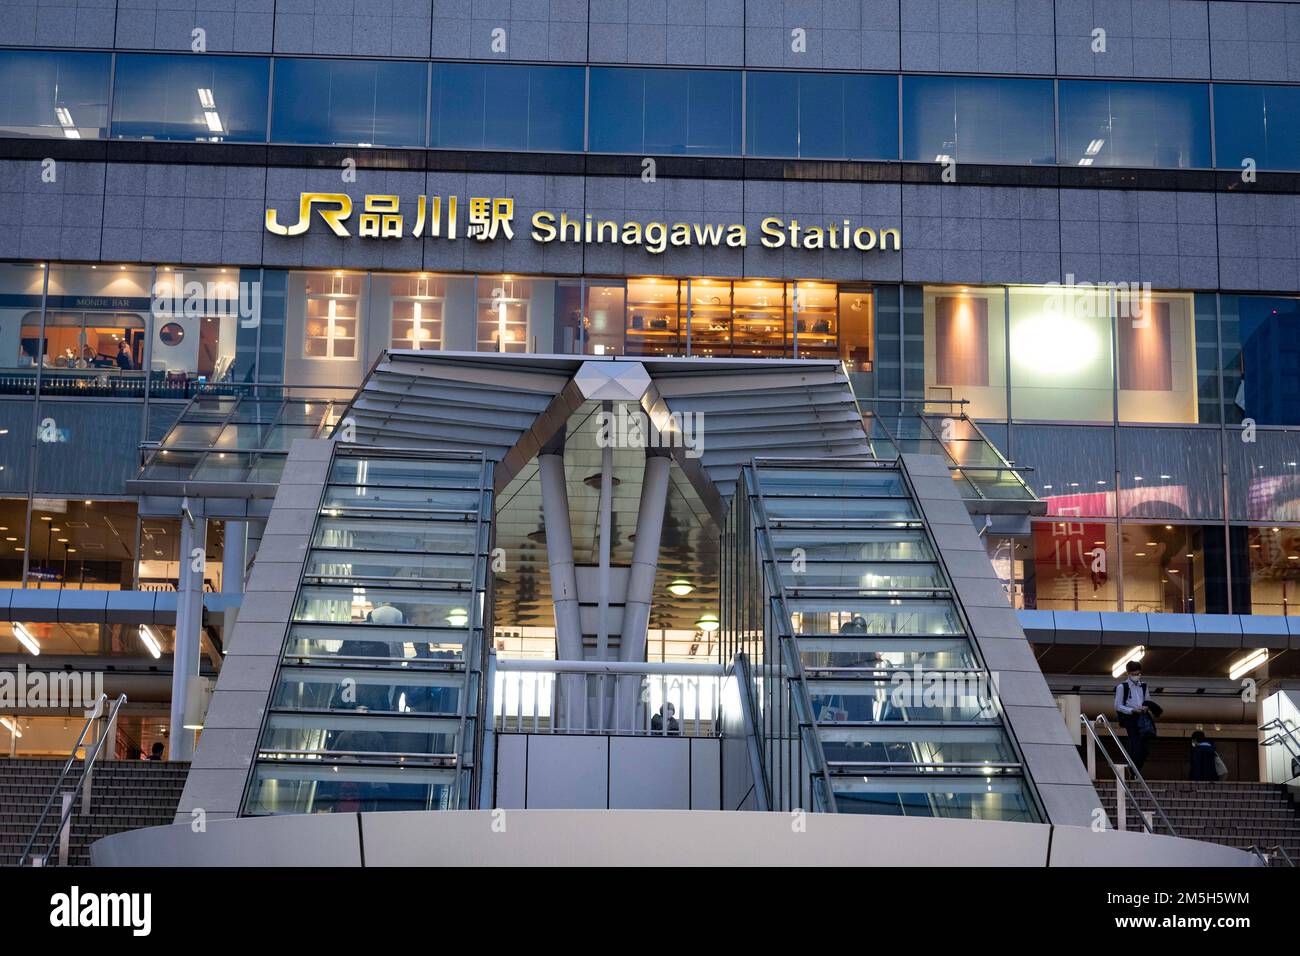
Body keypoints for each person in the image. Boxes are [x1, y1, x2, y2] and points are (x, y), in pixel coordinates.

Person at [1114, 660, 1158, 770]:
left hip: (1142, 717)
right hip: (1130, 718)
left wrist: (1145, 707)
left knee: (1145, 745)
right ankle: (1133, 769)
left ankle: (1137, 768)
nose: (1137, 676)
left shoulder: (1143, 686)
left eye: (1138, 674)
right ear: (1128, 674)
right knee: (1135, 743)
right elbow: (1117, 705)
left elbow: (1147, 699)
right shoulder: (1122, 687)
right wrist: (1132, 710)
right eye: (1134, 674)